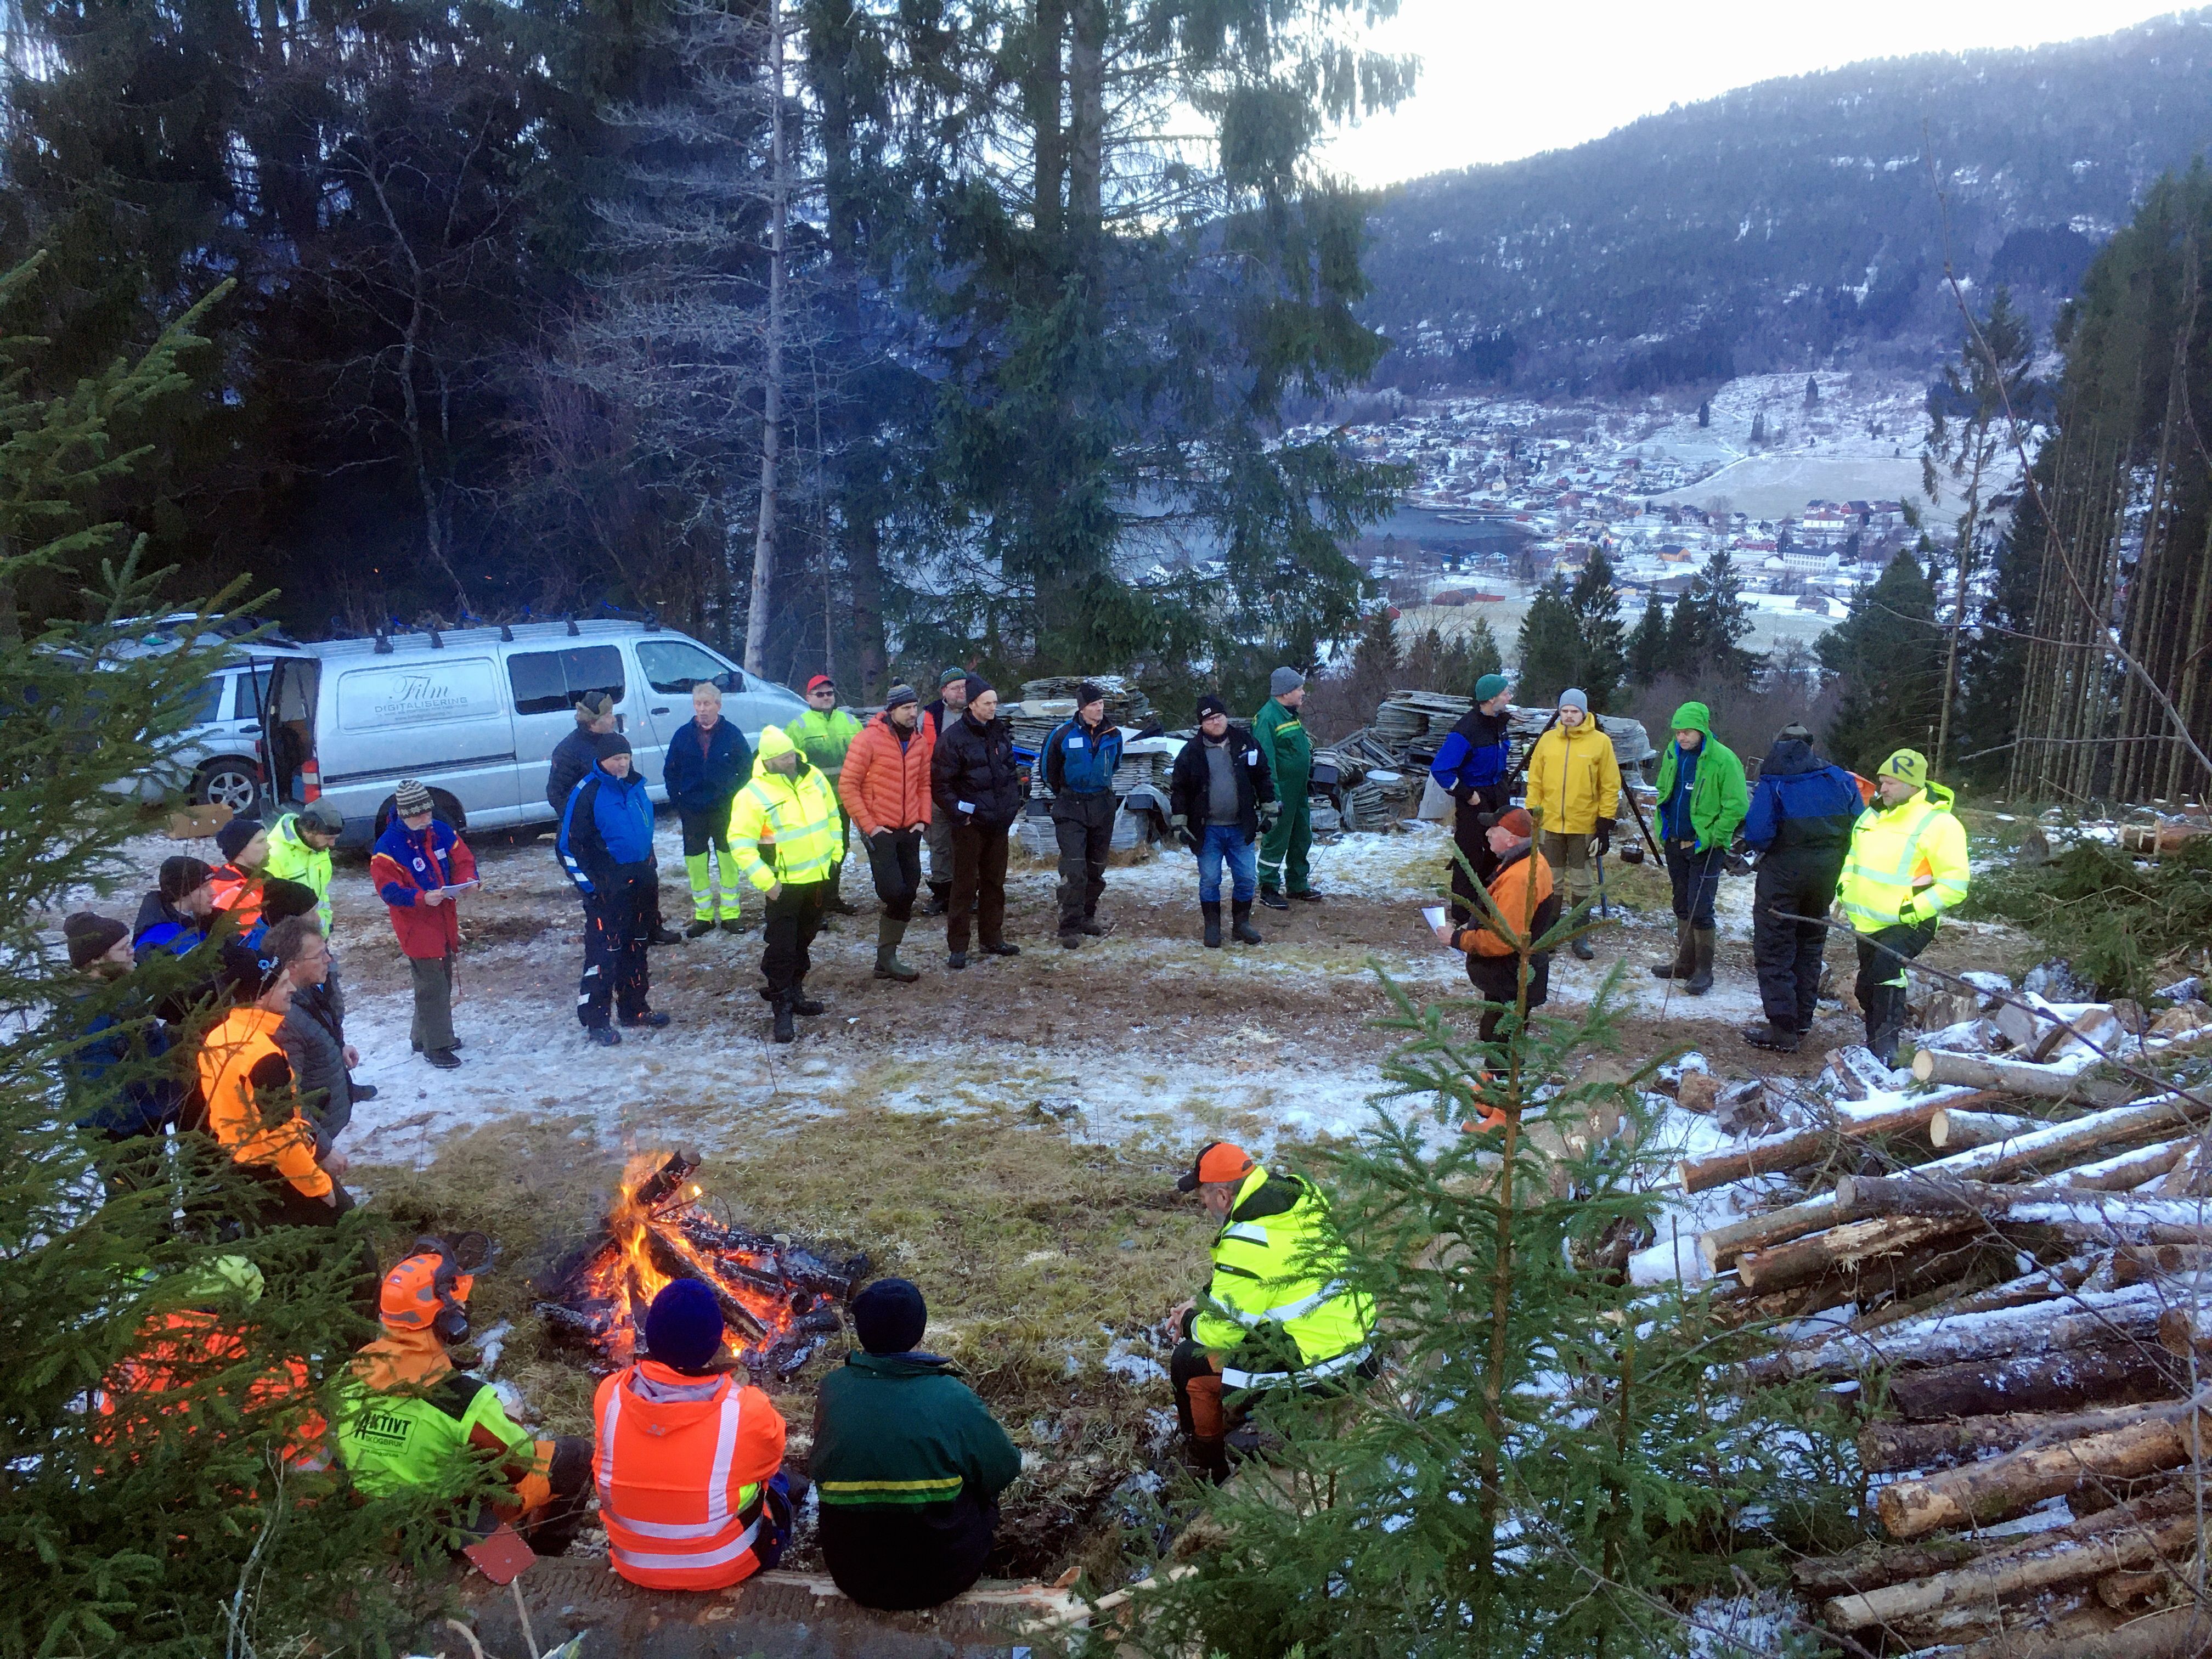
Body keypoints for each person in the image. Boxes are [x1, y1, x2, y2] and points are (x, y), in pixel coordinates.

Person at [336, 1241, 594, 1554]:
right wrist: (506, 1420)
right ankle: (545, 1560)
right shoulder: (459, 1401)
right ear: (448, 1322)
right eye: (459, 1306)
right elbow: (519, 1464)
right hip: (442, 1529)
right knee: (575, 1455)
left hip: (378, 1522)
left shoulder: (351, 1374)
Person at [1166, 1141, 1375, 1484]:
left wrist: (1188, 1321)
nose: (1202, 1205)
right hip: (1357, 1340)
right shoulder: (1294, 1197)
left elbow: (1222, 1333)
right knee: (1225, 1346)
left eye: (1202, 1196)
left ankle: (1209, 1469)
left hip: (1327, 1366)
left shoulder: (1248, 1238)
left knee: (1188, 1361)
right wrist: (1200, 1301)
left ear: (1223, 1196)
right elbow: (1261, 1279)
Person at [811, 1278, 1021, 1611]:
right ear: (918, 1329)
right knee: (978, 1483)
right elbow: (1005, 1468)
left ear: (863, 1331)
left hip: (852, 1573)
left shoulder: (832, 1390)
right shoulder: (952, 1398)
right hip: (944, 1575)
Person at [595, 1279, 793, 1592]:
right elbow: (771, 1461)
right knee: (779, 1484)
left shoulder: (610, 1396)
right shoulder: (746, 1409)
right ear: (716, 1344)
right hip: (726, 1565)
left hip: (633, 1563)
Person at [197, 926, 351, 1229]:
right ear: (259, 997)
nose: (291, 989)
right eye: (282, 986)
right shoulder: (265, 1055)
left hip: (242, 1167)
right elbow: (283, 1139)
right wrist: (320, 1189)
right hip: (280, 1175)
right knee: (349, 1245)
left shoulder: (220, 1035)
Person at [1739, 725, 1868, 1053]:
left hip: (1783, 872)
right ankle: (1802, 1019)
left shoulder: (1774, 779)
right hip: (1827, 872)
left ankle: (1783, 1028)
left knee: (1774, 947)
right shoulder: (1838, 777)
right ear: (1811, 745)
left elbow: (1758, 834)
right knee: (1810, 944)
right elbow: (1859, 822)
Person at [1838, 748, 1970, 1064]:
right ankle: (1875, 1047)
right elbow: (1853, 858)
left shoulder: (1940, 824)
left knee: (1886, 974)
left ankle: (1886, 1054)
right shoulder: (1871, 815)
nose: (1882, 789)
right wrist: (1844, 887)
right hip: (1867, 921)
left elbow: (1955, 884)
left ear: (1914, 786)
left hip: (1909, 922)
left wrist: (1911, 911)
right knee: (1867, 986)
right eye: (1882, 782)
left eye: (1891, 784)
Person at [729, 724, 844, 1042]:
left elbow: (833, 816)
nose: (790, 761)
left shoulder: (814, 777)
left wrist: (836, 854)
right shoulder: (752, 795)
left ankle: (796, 991)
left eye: (791, 754)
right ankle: (781, 1006)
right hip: (784, 885)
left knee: (803, 940)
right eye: (781, 758)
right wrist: (767, 882)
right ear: (767, 760)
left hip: (818, 877)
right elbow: (739, 842)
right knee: (782, 946)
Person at [60, 912, 186, 1198]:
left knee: (157, 1200)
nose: (132, 951)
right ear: (95, 960)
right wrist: (140, 1122)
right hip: (121, 1132)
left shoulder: (117, 991)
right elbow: (101, 1083)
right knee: (137, 1207)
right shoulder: (86, 1013)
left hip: (144, 1122)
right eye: (122, 948)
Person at [548, 692, 683, 947]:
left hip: (628, 826)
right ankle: (608, 936)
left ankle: (651, 927)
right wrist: (590, 822)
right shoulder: (568, 751)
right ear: (594, 721)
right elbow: (557, 794)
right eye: (609, 715)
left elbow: (628, 782)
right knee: (606, 890)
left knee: (646, 878)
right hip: (597, 835)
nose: (614, 718)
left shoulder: (615, 742)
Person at [559, 734, 669, 1047]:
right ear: (602, 761)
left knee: (637, 946)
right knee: (604, 953)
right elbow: (567, 847)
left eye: (625, 758)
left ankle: (634, 1008)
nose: (621, 764)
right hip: (607, 889)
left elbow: (643, 833)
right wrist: (593, 888)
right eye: (615, 759)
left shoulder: (636, 788)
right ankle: (596, 1020)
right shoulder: (587, 792)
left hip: (641, 882)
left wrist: (649, 865)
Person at [370, 779, 477, 1068]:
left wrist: (467, 881)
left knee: (436, 981)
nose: (427, 819)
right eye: (420, 815)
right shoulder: (387, 847)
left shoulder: (440, 831)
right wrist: (420, 898)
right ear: (405, 814)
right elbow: (389, 891)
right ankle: (438, 1045)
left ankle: (423, 1036)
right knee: (433, 986)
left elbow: (463, 859)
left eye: (428, 812)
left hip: (444, 920)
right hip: (417, 928)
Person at [1434, 806, 1562, 1047]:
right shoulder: (1530, 862)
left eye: (1495, 830)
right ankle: (1496, 1080)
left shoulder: (1519, 879)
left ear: (1512, 839)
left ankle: (1500, 1083)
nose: (1488, 834)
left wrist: (1457, 939)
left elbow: (1504, 940)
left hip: (1509, 975)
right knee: (1500, 1031)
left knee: (1500, 1037)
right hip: (1515, 973)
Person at [1647, 701, 1748, 997]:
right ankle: (1685, 963)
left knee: (1700, 908)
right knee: (1681, 903)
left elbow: (1737, 806)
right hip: (1675, 842)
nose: (1682, 737)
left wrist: (1712, 838)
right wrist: (1662, 829)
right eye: (1678, 732)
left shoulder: (1723, 759)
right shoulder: (1672, 754)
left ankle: (1705, 970)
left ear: (1702, 730)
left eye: (1687, 732)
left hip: (1706, 847)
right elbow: (1665, 792)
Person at [837, 684, 933, 983]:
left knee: (910, 889)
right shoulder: (867, 740)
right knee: (893, 891)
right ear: (891, 710)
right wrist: (871, 828)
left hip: (910, 828)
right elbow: (848, 786)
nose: (912, 713)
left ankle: (887, 958)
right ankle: (887, 956)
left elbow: (924, 784)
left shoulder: (919, 742)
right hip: (881, 829)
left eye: (915, 707)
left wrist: (923, 820)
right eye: (906, 708)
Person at [929, 677, 1023, 969]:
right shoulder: (953, 739)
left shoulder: (1000, 733)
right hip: (970, 826)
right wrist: (961, 814)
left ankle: (992, 938)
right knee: (964, 886)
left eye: (995, 702)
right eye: (988, 703)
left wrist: (1011, 806)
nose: (993, 708)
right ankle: (958, 946)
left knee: (995, 883)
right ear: (973, 705)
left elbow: (1010, 773)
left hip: (998, 823)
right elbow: (941, 784)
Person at [1166, 693, 1274, 948]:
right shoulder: (1191, 752)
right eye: (1210, 719)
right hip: (1207, 830)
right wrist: (1179, 823)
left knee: (1247, 877)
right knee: (1211, 879)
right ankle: (1212, 926)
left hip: (1241, 827)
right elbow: (1179, 789)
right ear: (1201, 724)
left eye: (1219, 717)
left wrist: (1270, 809)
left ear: (1226, 717)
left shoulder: (1247, 744)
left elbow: (1263, 777)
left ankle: (1241, 924)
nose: (1216, 722)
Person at [1523, 687, 1621, 961]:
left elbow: (1610, 786)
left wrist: (1604, 824)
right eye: (1564, 711)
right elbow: (1536, 780)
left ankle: (1580, 935)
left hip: (1584, 825)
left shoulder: (1600, 743)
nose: (1569, 716)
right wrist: (1533, 813)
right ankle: (1549, 933)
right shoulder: (1546, 741)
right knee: (1550, 881)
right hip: (1551, 824)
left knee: (1581, 882)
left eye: (1574, 711)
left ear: (1584, 713)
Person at [269, 884, 363, 1139]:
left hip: (326, 1126)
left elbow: (317, 1031)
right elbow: (289, 1105)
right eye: (320, 955)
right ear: (293, 965)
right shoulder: (285, 1020)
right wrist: (322, 1151)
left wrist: (336, 1047)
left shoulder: (307, 991)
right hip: (310, 1147)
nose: (329, 961)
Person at [661, 680, 753, 938]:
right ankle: (704, 917)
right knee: (696, 864)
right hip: (692, 811)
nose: (702, 709)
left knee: (728, 860)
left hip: (724, 809)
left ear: (718, 705)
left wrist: (735, 797)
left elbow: (747, 770)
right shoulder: (682, 735)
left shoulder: (732, 734)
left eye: (707, 704)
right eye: (698, 704)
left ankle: (731, 915)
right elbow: (671, 772)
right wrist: (678, 801)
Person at [1041, 681, 1122, 948]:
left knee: (1096, 868)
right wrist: (1064, 792)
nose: (1099, 710)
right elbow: (1047, 770)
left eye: (1101, 705)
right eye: (1093, 705)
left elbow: (1117, 764)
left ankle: (1088, 915)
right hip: (1071, 805)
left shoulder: (1114, 734)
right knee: (1075, 868)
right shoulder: (1062, 734)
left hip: (1102, 804)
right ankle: (1069, 926)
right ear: (1082, 708)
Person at [1429, 673, 1516, 921]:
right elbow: (1441, 769)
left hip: (1498, 794)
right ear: (1490, 699)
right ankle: (1463, 914)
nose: (1509, 697)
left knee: (1498, 851)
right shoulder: (1465, 730)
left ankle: (1491, 906)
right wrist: (1467, 794)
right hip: (1475, 800)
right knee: (1470, 855)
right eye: (1505, 694)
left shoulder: (1499, 724)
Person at [791, 674, 864, 917]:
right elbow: (790, 767)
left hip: (844, 800)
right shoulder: (798, 727)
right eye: (820, 694)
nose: (826, 698)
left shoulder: (850, 722)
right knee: (817, 853)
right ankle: (815, 905)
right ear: (808, 697)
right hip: (814, 802)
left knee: (839, 849)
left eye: (829, 694)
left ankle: (832, 897)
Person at [1252, 667, 1321, 909]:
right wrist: (1272, 797)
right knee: (1276, 839)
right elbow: (1265, 761)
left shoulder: (1289, 714)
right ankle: (1269, 887)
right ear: (1284, 693)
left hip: (1299, 791)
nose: (1303, 693)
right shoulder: (1268, 718)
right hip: (1281, 794)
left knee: (1302, 836)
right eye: (1299, 689)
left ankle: (1297, 884)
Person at [917, 668, 971, 916]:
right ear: (944, 692)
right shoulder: (928, 716)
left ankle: (969, 894)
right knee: (939, 844)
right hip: (938, 790)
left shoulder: (979, 712)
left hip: (970, 791)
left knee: (969, 844)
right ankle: (942, 894)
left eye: (964, 686)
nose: (961, 692)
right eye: (955, 687)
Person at [263, 799, 345, 935]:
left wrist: (324, 929)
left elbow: (322, 896)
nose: (332, 844)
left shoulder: (319, 850)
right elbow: (268, 910)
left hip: (316, 937)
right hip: (290, 940)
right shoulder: (274, 854)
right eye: (329, 838)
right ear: (310, 829)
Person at [133, 855, 218, 961]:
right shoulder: (155, 943)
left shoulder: (213, 920)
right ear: (182, 893)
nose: (213, 893)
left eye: (211, 885)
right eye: (204, 888)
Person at [208, 816, 271, 938]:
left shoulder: (257, 880)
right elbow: (246, 944)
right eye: (260, 842)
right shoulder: (232, 895)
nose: (268, 846)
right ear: (240, 849)